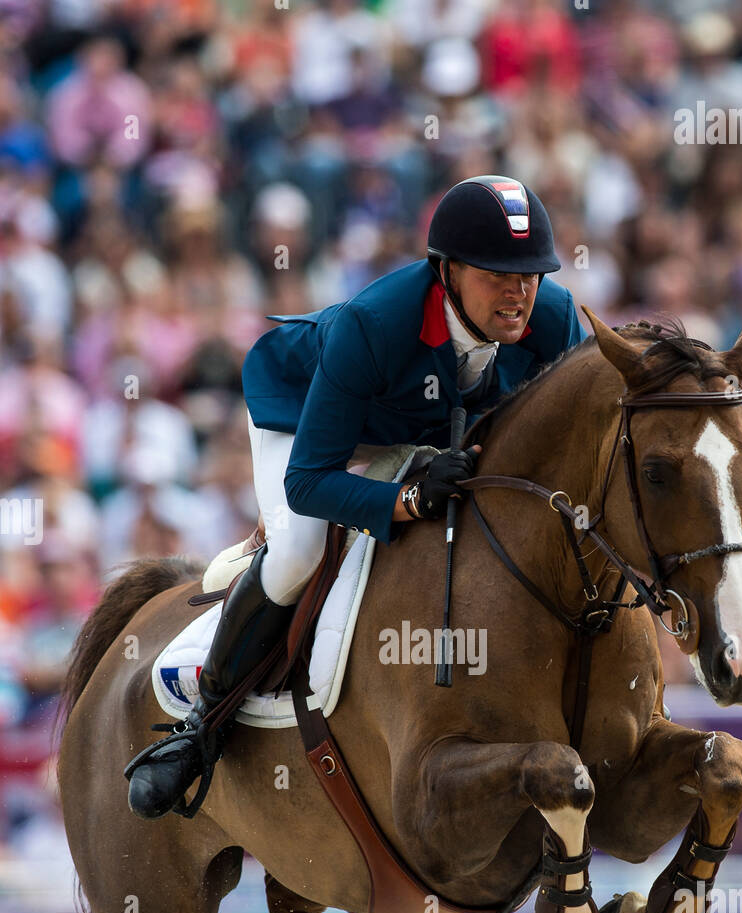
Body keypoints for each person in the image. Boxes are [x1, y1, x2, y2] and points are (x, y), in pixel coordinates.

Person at [125, 175, 581, 819]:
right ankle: (202, 722)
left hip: (421, 432)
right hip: (304, 417)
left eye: (531, 273)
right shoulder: (377, 323)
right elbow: (309, 482)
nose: (519, 291)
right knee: (301, 548)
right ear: (446, 271)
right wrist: (410, 501)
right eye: (497, 274)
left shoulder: (555, 319)